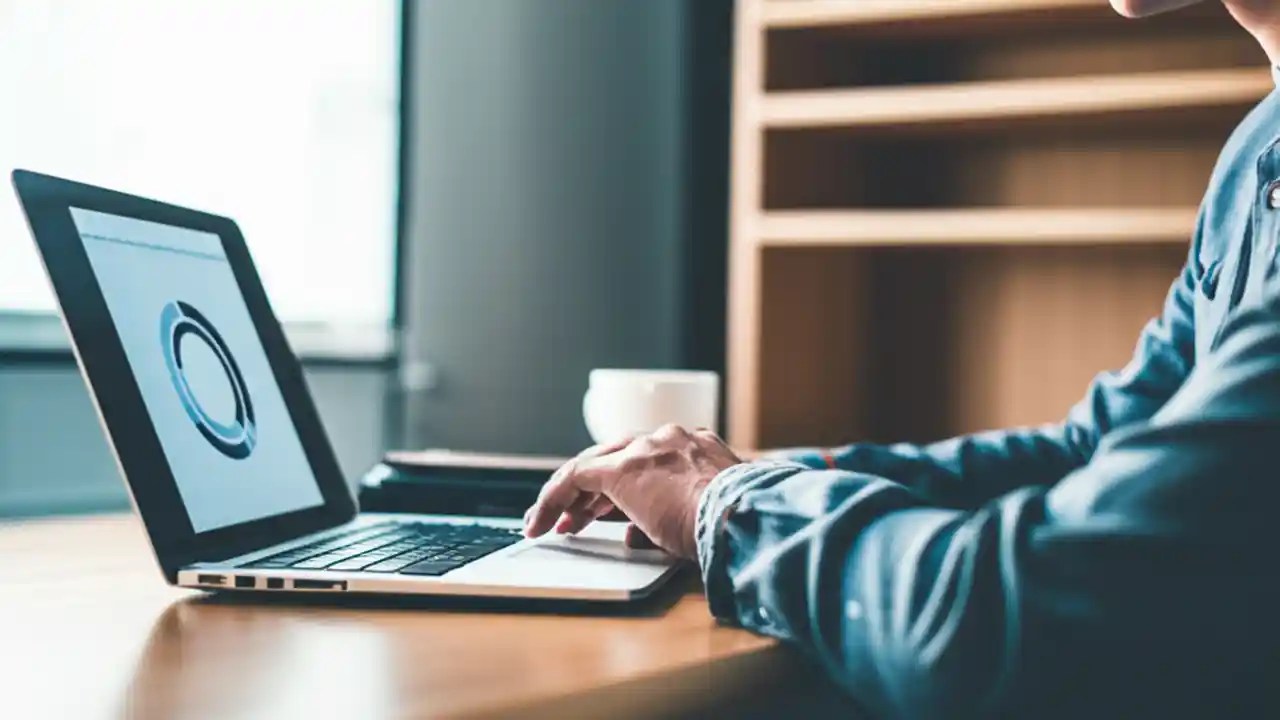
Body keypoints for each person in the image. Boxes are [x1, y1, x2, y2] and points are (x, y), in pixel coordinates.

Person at [524, 1, 1280, 717]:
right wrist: (743, 479)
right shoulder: (1256, 151)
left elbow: (1014, 627)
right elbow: (1094, 452)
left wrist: (734, 508)